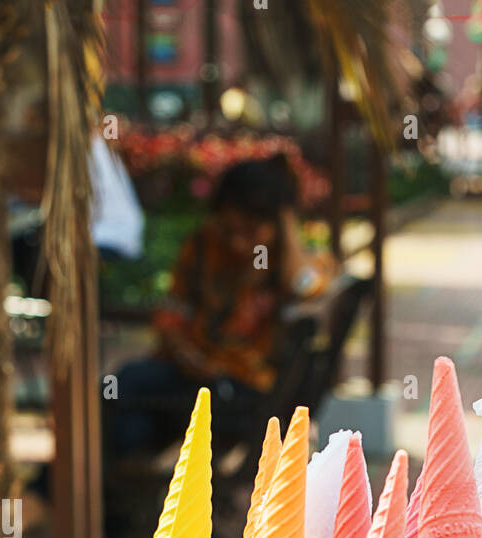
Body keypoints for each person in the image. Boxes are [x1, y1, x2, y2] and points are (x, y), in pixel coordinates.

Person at [106, 154, 332, 463]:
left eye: (251, 231)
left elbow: (306, 285)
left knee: (127, 389)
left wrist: (285, 224)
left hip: (241, 393)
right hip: (192, 374)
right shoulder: (204, 247)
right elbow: (171, 316)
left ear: (277, 224)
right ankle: (119, 494)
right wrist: (190, 357)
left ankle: (99, 493)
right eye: (229, 230)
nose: (238, 243)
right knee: (125, 400)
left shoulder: (287, 264)